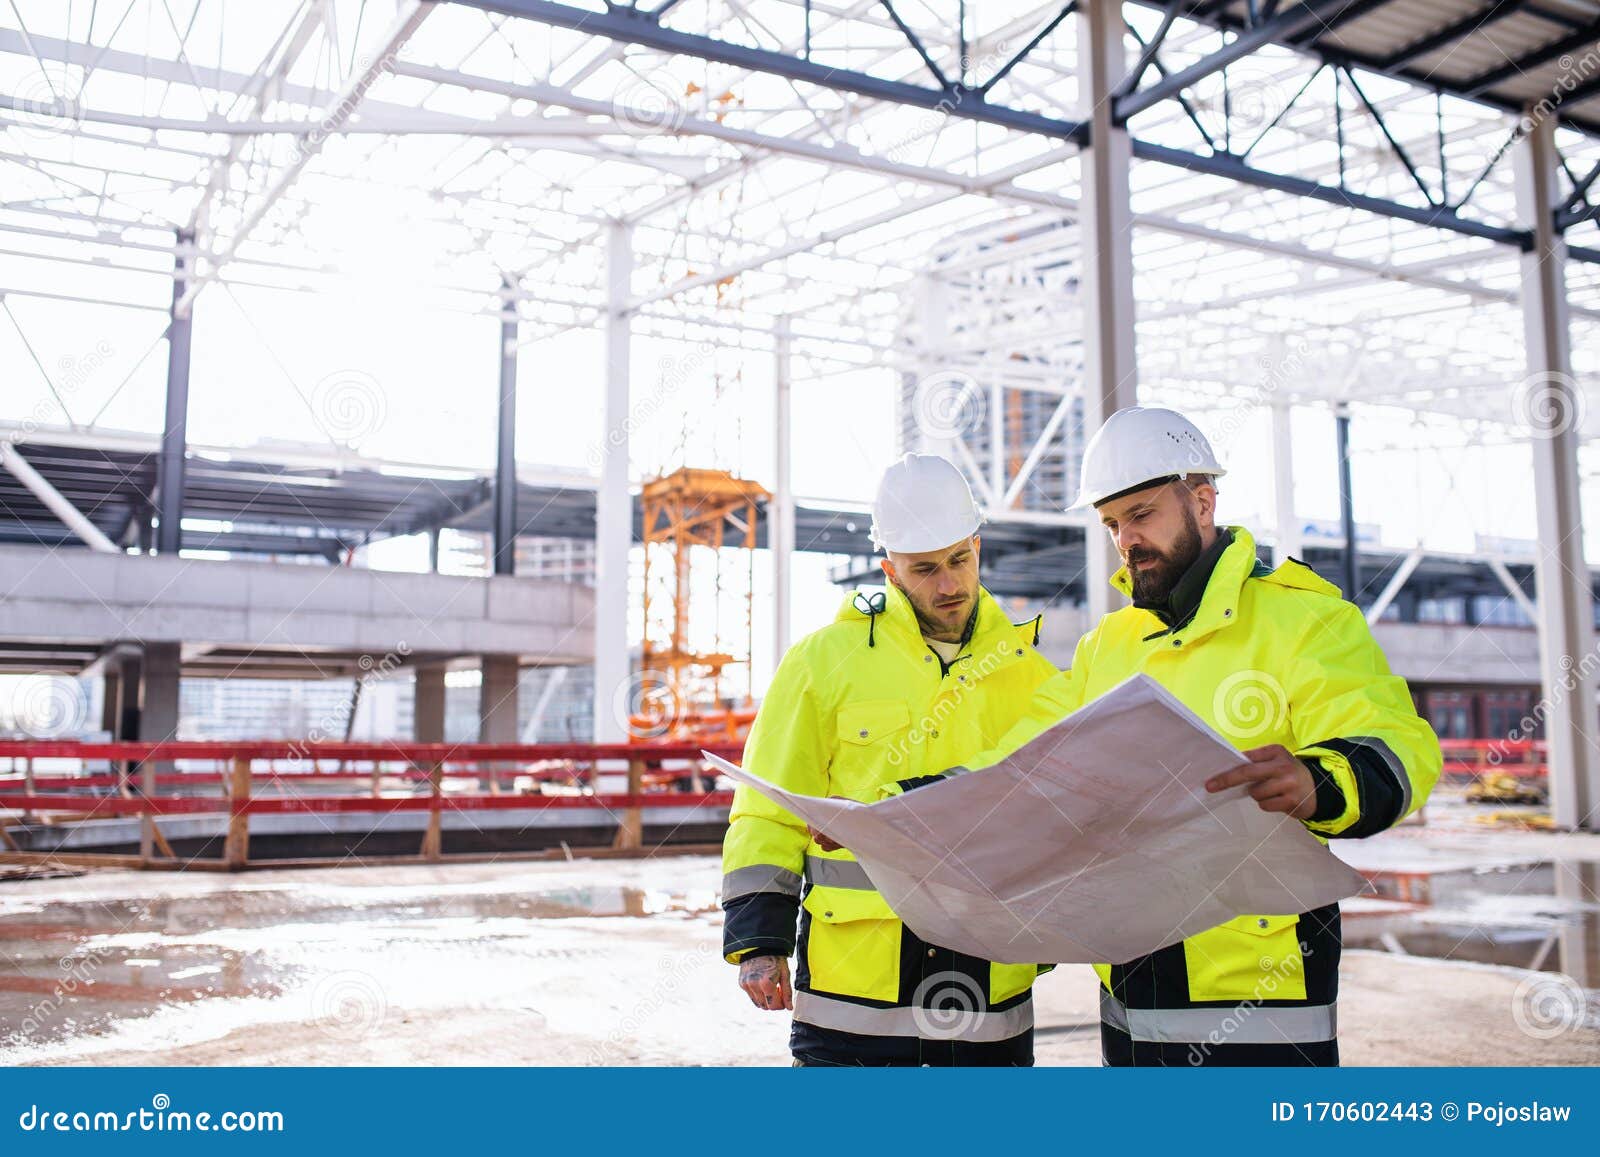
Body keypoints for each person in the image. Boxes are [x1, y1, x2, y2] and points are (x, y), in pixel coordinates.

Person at [877, 406, 1441, 1066]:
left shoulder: (1304, 620)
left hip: (1259, 1002)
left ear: (1202, 501)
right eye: (1113, 523)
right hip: (1132, 1003)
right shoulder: (1107, 646)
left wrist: (1317, 781)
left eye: (1141, 514)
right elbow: (1021, 760)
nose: (1126, 539)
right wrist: (900, 810)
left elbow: (1397, 742)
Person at [720, 452, 1059, 1065]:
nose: (949, 584)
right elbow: (767, 808)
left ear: (978, 545)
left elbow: (1054, 812)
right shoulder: (822, 663)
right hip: (853, 993)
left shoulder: (1028, 673)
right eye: (925, 569)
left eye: (960, 560)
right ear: (890, 570)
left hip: (989, 991)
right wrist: (758, 941)